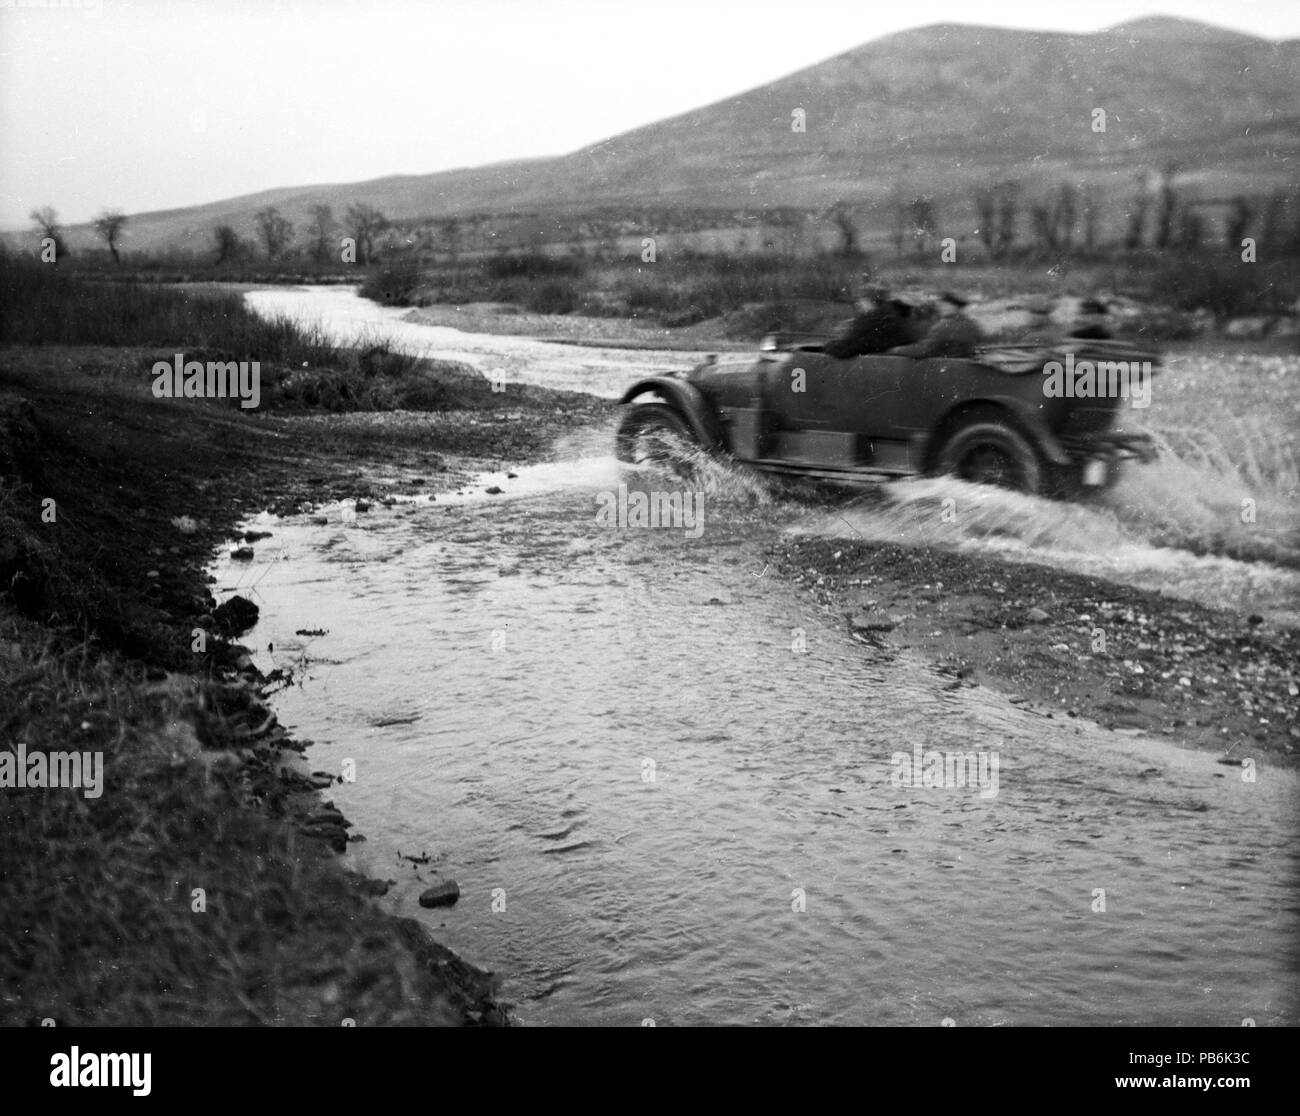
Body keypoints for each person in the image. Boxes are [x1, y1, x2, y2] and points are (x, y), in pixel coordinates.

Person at [822, 286, 921, 359]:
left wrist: (829, 346)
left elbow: (847, 349)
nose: (858, 304)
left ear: (870, 301)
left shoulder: (873, 320)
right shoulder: (894, 316)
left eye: (860, 301)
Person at [889, 292, 983, 358]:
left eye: (943, 304)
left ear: (952, 306)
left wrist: (896, 350)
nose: (940, 307)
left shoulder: (945, 326)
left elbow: (923, 350)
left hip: (946, 368)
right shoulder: (972, 325)